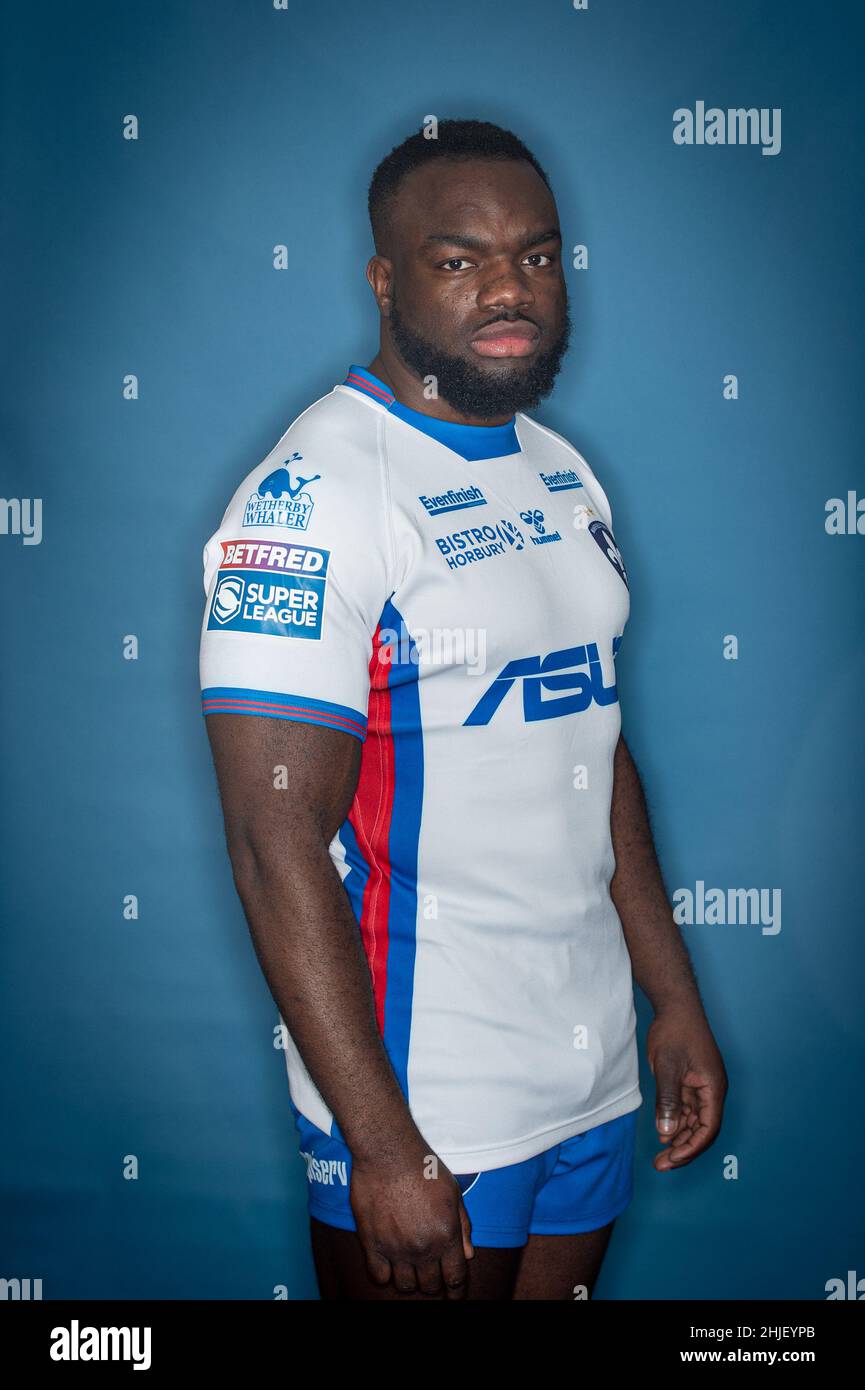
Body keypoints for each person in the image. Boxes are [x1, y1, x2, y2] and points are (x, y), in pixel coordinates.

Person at [199, 119, 728, 1301]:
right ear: (385, 279)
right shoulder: (317, 494)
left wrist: (672, 994)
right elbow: (269, 842)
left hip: (588, 1066)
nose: (508, 286)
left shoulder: (559, 466)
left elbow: (587, 739)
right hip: (427, 1091)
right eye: (459, 259)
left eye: (538, 255)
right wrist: (381, 1143)